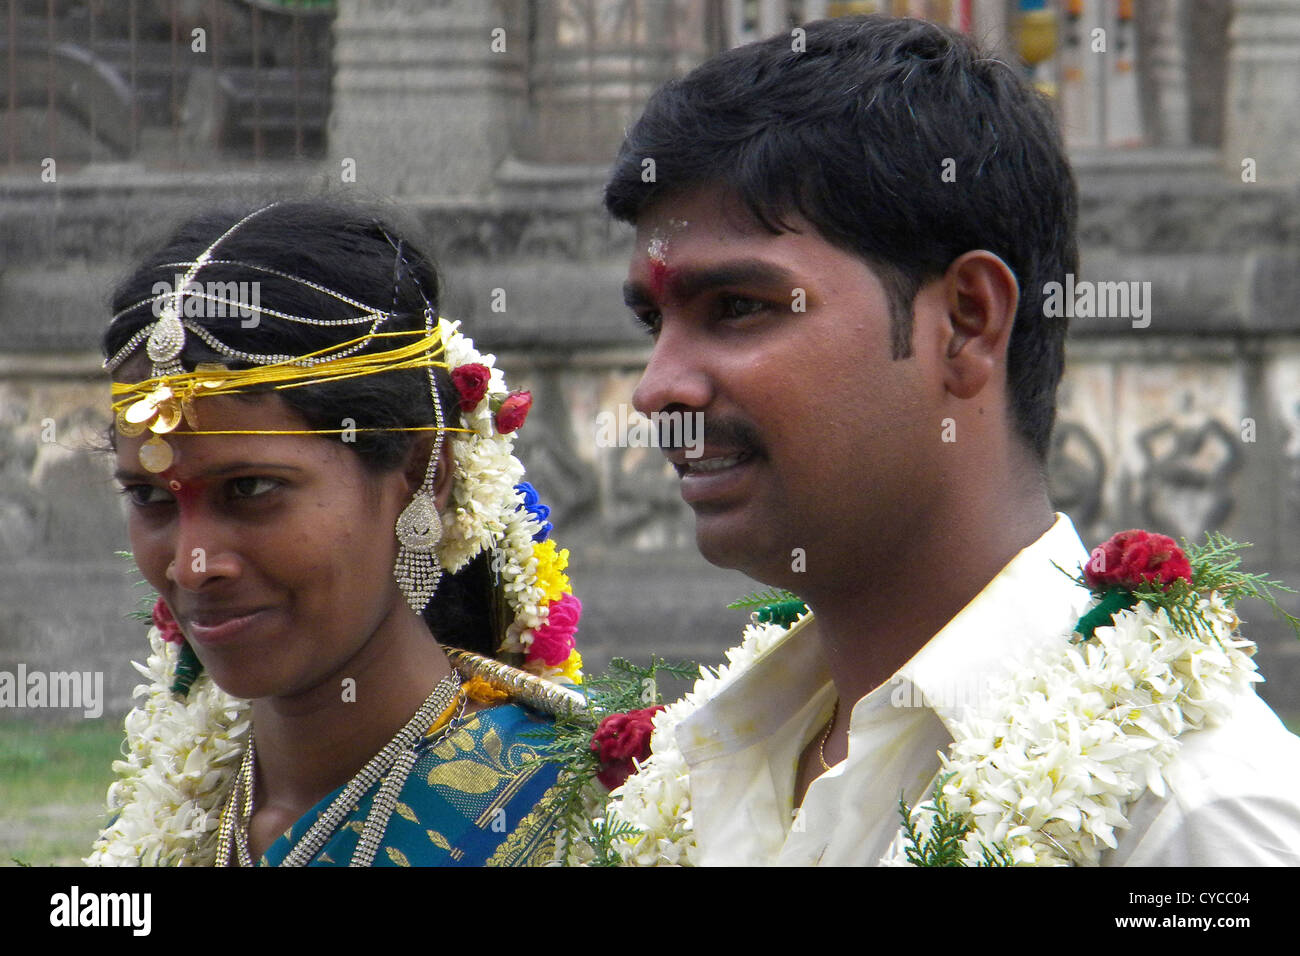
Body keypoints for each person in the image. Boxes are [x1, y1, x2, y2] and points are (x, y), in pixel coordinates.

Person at [596, 15, 1300, 865]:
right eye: (653, 323)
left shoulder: (1191, 820)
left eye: (738, 307)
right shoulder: (711, 768)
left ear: (967, 323)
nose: (657, 386)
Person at [86, 199, 584, 867]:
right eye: (149, 497)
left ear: (421, 474)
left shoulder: (569, 814)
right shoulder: (166, 809)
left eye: (251, 490)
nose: (191, 563)